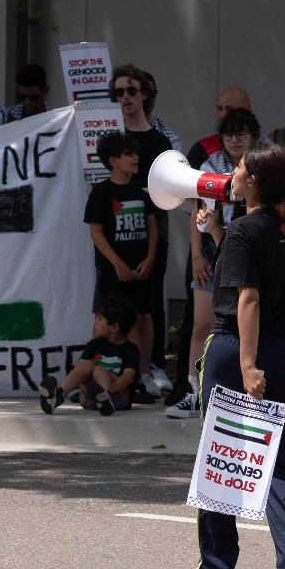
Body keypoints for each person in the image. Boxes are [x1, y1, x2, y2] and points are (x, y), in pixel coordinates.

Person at [187, 145, 285, 569]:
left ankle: (216, 566)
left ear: (254, 183)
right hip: (284, 354)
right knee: (278, 461)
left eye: (240, 169)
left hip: (237, 351)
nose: (233, 173)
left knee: (221, 455)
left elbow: (248, 297)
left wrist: (247, 366)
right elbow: (252, 256)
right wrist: (217, 231)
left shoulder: (247, 230)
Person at [171, 109, 261, 419]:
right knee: (201, 324)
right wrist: (197, 256)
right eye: (228, 134)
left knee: (245, 324)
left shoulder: (261, 165)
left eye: (241, 133)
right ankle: (193, 391)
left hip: (250, 254)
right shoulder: (209, 167)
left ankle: (242, 392)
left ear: (253, 136)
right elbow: (197, 212)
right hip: (212, 253)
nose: (234, 140)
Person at [110, 64, 182, 396]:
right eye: (118, 92)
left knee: (149, 304)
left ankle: (150, 366)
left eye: (131, 91)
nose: (125, 97)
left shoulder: (160, 141)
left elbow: (169, 191)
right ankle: (119, 369)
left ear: (145, 95)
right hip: (115, 234)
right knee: (115, 304)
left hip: (152, 234)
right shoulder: (110, 139)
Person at [85, 131, 158, 384]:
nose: (136, 158)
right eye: (129, 154)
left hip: (141, 270)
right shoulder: (101, 193)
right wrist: (117, 263)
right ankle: (93, 375)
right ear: (113, 161)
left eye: (136, 153)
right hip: (112, 273)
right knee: (106, 320)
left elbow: (153, 226)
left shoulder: (141, 191)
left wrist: (150, 258)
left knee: (141, 318)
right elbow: (95, 231)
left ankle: (140, 374)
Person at [38, 296, 141, 416]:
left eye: (99, 319)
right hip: (89, 398)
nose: (95, 323)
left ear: (114, 327)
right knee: (86, 364)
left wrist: (109, 390)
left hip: (118, 398)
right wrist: (82, 385)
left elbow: (128, 377)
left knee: (99, 370)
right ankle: (59, 395)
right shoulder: (94, 344)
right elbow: (80, 370)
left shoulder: (130, 349)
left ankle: (104, 399)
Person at [187, 87, 253, 168]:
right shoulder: (202, 149)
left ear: (247, 108)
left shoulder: (264, 150)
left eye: (229, 108)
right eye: (220, 108)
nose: (223, 115)